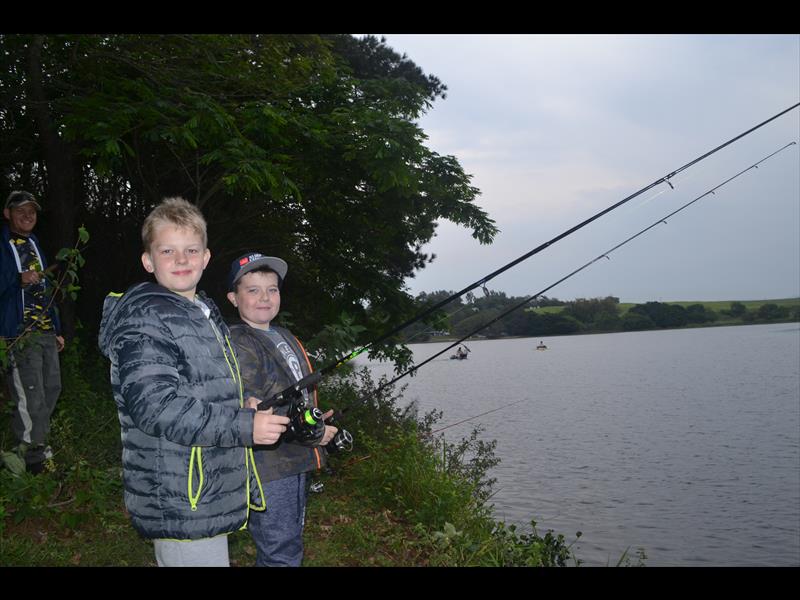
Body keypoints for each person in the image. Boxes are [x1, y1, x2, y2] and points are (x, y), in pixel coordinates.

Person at [97, 197, 290, 567]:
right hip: (180, 495)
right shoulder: (147, 320)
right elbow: (157, 407)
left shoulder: (200, 311)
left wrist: (241, 405)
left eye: (191, 250)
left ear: (205, 257)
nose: (181, 259)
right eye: (168, 250)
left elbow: (203, 387)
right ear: (148, 261)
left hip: (204, 485)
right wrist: (244, 425)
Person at [226, 252, 337, 567]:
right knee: (281, 551)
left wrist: (312, 417)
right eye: (253, 290)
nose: (265, 297)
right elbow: (251, 404)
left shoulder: (282, 335)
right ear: (233, 298)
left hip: (293, 459)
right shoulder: (239, 340)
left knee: (288, 541)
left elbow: (291, 394)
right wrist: (310, 432)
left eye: (272, 289)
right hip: (270, 466)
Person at [1, 191, 64, 474]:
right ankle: (34, 458)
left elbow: (44, 290)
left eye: (32, 212)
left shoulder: (35, 243)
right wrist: (17, 279)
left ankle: (31, 447)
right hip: (19, 332)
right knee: (31, 396)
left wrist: (57, 328)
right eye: (21, 211)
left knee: (52, 388)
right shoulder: (3, 245)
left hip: (45, 330)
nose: (27, 216)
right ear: (7, 214)